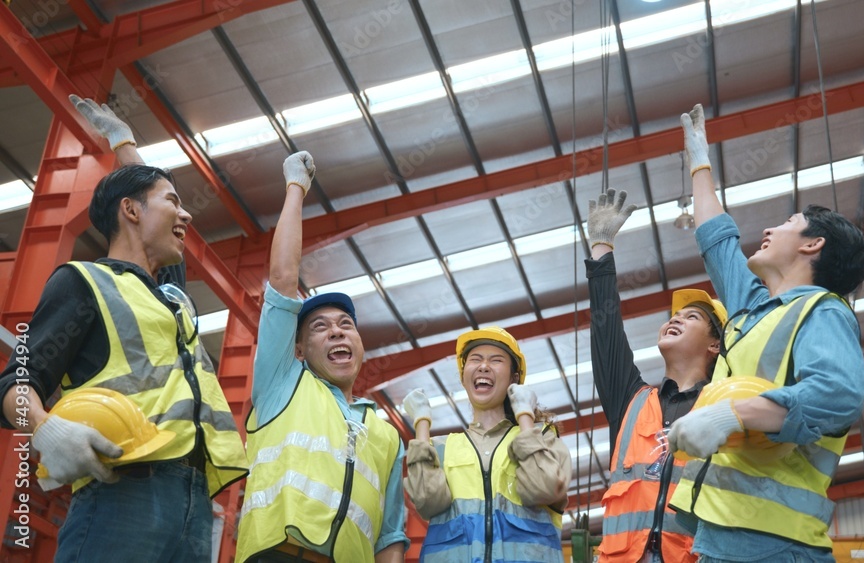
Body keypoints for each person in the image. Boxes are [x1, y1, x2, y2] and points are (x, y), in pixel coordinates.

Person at [0, 96, 248, 562]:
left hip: (194, 501)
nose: (187, 215)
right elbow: (15, 382)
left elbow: (143, 198)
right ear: (131, 212)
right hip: (122, 491)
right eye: (173, 203)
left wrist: (124, 143)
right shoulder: (81, 282)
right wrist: (45, 429)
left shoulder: (170, 297)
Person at [666, 104, 864, 562]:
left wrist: (729, 417)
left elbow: (839, 393)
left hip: (775, 542)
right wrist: (699, 164)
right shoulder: (751, 310)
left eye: (787, 223)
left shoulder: (822, 311)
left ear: (813, 244)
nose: (768, 228)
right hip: (724, 536)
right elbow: (717, 240)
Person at [235, 151, 408, 563]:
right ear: (298, 350)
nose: (336, 330)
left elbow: (389, 535)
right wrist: (296, 187)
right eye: (319, 327)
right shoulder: (284, 383)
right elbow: (282, 281)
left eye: (346, 324)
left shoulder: (387, 437)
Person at [585, 188, 727, 562]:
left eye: (691, 317)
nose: (675, 318)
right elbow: (606, 335)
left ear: (716, 345)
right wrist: (601, 250)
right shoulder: (631, 401)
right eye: (675, 315)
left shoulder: (724, 407)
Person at [402, 326, 571, 562]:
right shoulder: (441, 448)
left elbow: (543, 488)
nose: (483, 366)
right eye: (475, 359)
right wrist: (421, 423)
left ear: (514, 379)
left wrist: (525, 417)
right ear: (463, 377)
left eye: (496, 360)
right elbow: (428, 502)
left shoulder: (543, 438)